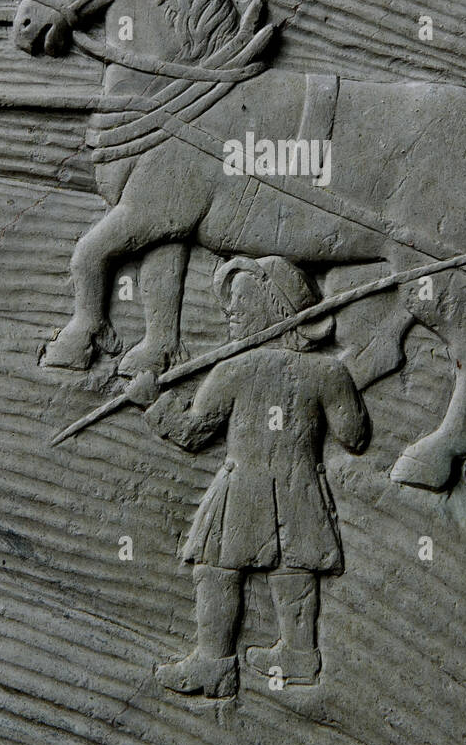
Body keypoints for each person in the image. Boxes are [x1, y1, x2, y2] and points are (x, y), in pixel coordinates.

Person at [141, 254, 370, 697]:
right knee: (295, 566)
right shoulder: (326, 371)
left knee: (218, 570)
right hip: (299, 486)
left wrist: (154, 403)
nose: (230, 315)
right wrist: (343, 386)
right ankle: (300, 658)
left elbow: (191, 432)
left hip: (243, 485)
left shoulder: (232, 371)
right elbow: (355, 437)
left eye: (240, 306)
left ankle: (215, 663)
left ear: (275, 309)